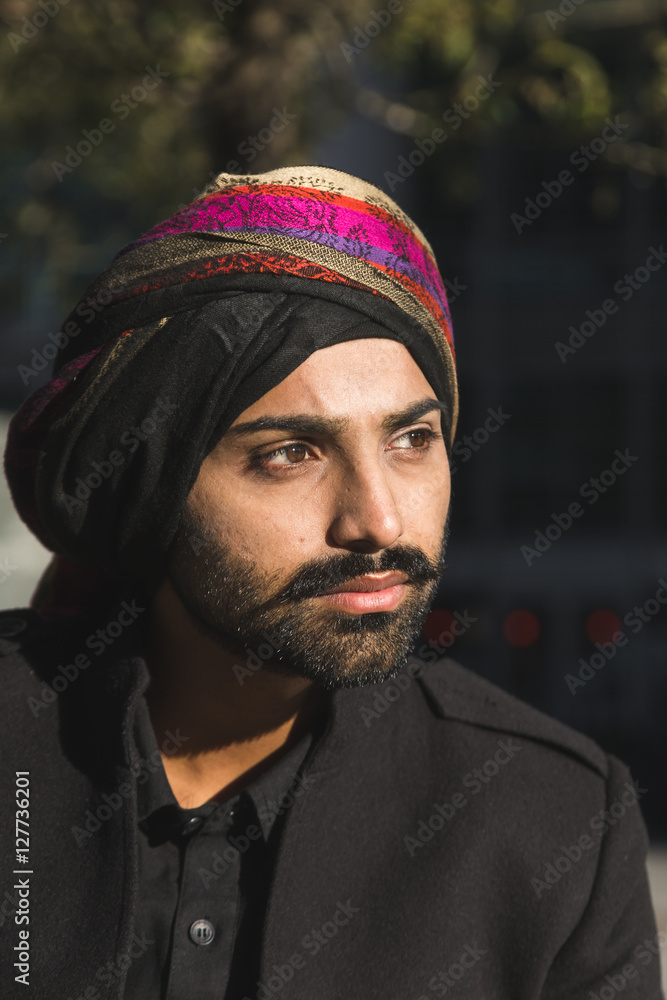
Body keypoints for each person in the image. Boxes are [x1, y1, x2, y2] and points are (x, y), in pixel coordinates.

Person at [0, 166, 662, 1000]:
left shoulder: (551, 821)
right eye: (289, 454)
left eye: (412, 440)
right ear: (152, 486)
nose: (378, 522)